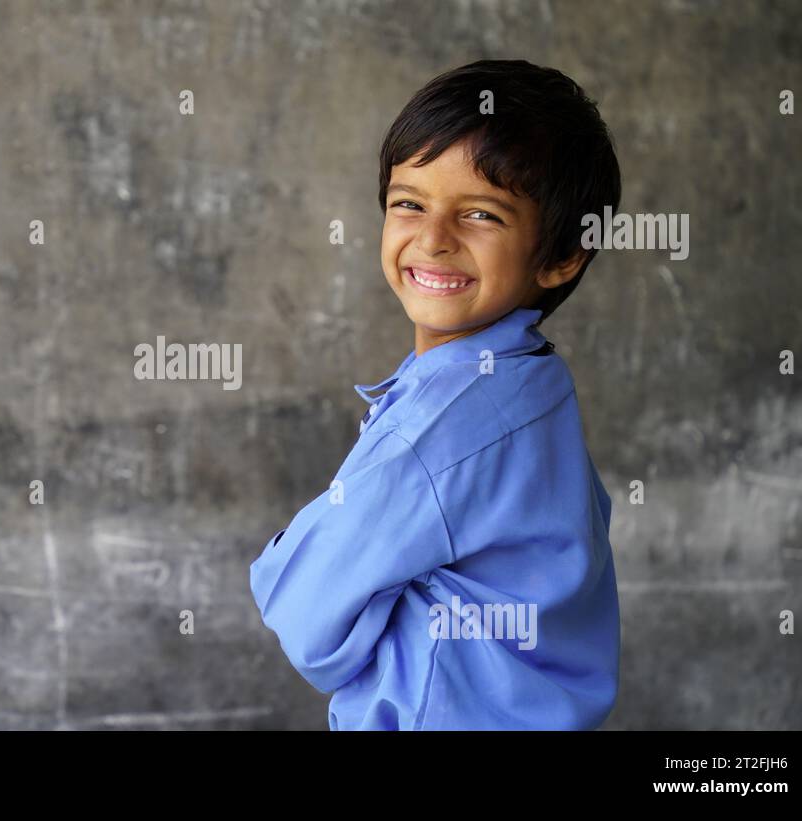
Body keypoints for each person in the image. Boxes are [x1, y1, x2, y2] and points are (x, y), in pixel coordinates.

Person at [250, 60, 623, 730]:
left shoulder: (437, 430)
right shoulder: (535, 381)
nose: (432, 237)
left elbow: (306, 619)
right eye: (410, 203)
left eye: (481, 213)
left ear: (562, 256)